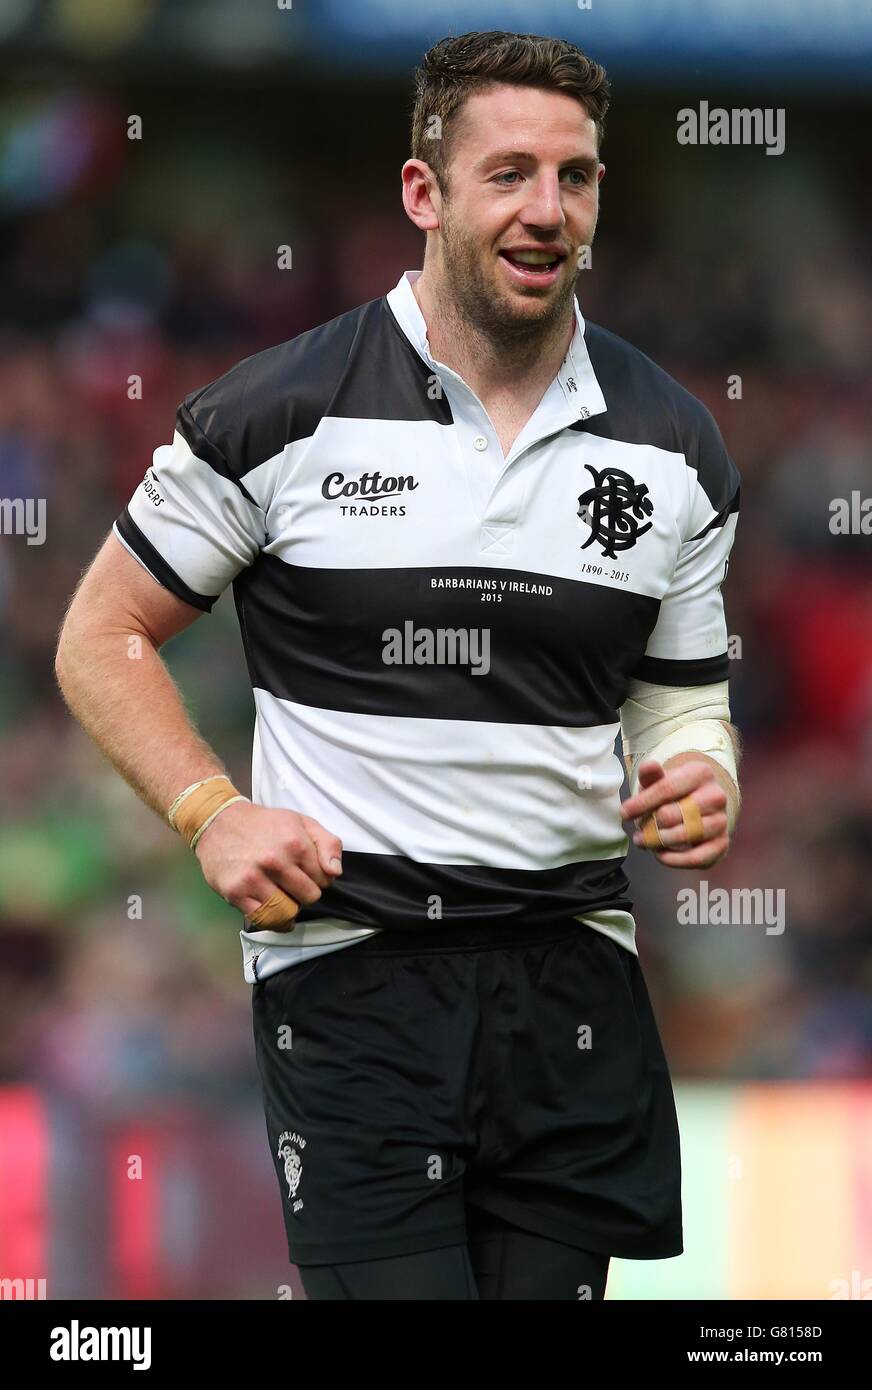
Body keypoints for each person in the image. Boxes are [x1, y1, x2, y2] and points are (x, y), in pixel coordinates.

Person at [55, 30, 742, 1300]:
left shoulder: (675, 447)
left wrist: (697, 767)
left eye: (576, 177)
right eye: (511, 173)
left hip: (570, 977)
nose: (548, 209)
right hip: (354, 979)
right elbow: (101, 635)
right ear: (423, 193)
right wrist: (212, 813)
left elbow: (679, 690)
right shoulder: (272, 414)